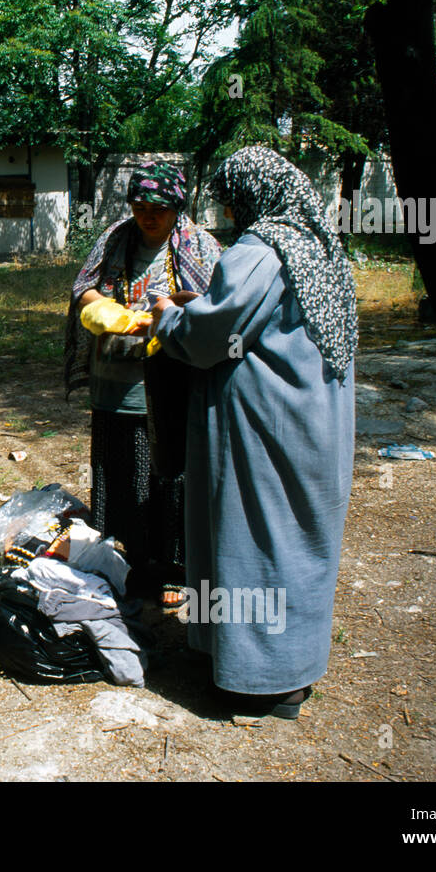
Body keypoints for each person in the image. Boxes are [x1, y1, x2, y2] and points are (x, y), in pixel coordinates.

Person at [148, 146, 357, 719]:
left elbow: (212, 335)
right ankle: (291, 668)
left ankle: (258, 682)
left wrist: (168, 313)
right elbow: (257, 317)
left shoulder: (262, 248)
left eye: (234, 198)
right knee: (298, 544)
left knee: (255, 542)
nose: (232, 210)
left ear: (250, 196)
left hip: (262, 433)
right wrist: (205, 304)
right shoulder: (318, 245)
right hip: (315, 425)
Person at [65, 162, 221, 604]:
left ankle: (173, 570)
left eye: (158, 208)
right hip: (115, 381)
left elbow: (218, 305)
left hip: (172, 382)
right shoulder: (115, 238)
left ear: (177, 206)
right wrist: (106, 312)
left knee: (170, 474)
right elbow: (86, 287)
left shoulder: (200, 246)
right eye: (139, 206)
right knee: (119, 473)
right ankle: (125, 562)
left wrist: (170, 312)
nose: (148, 215)